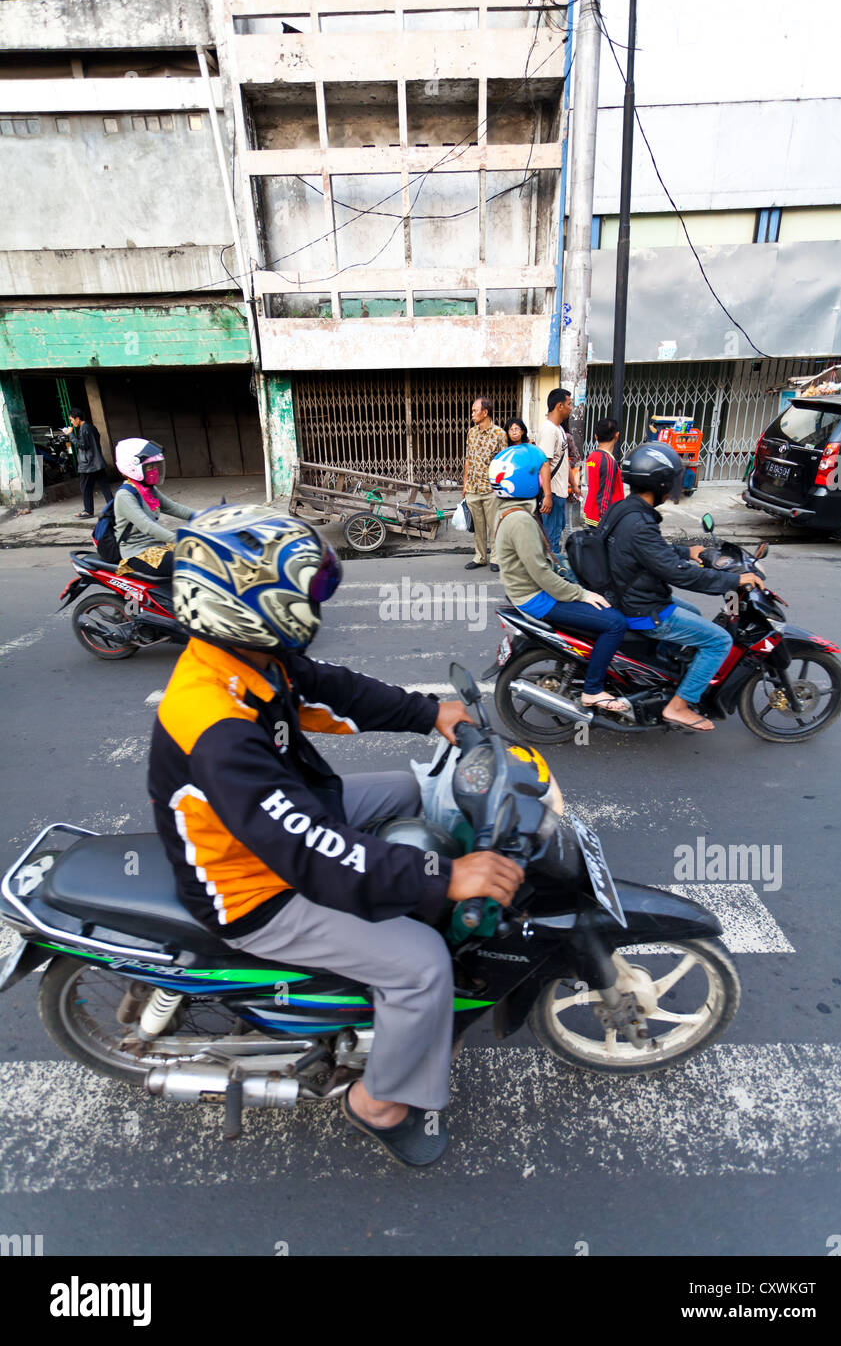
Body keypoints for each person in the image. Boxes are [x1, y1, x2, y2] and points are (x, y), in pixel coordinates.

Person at [148, 506, 523, 1167]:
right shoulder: (214, 722)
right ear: (247, 602)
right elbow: (308, 850)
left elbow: (336, 691)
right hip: (253, 886)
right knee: (421, 965)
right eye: (306, 591)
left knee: (415, 792)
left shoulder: (256, 659)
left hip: (291, 814)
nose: (316, 603)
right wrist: (445, 878)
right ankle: (376, 1104)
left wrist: (429, 711)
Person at [605, 442, 765, 732]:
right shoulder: (640, 522)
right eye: (672, 481)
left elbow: (651, 553)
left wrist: (687, 551)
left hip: (625, 593)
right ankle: (678, 706)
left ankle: (664, 674)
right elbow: (679, 575)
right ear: (659, 482)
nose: (674, 488)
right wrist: (732, 580)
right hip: (641, 607)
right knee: (719, 641)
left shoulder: (626, 509)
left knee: (690, 610)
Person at [491, 445, 630, 714]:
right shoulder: (520, 520)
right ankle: (592, 691)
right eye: (540, 473)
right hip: (536, 598)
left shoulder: (510, 510)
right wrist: (580, 594)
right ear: (525, 478)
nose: (544, 479)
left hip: (528, 592)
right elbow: (541, 574)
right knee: (614, 623)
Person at [112, 438, 195, 578]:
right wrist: (178, 538)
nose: (155, 471)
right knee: (192, 563)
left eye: (155, 466)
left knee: (204, 554)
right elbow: (147, 526)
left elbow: (174, 508)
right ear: (133, 468)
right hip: (138, 552)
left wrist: (207, 516)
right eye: (150, 467)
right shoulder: (124, 495)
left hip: (157, 545)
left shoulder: (147, 489)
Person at [461, 396, 508, 572]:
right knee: (478, 527)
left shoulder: (500, 434)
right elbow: (468, 459)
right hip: (473, 488)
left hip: (491, 489)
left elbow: (503, 463)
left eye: (475, 410)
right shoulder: (471, 433)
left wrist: (501, 488)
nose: (472, 413)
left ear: (485, 412)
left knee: (494, 525)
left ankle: (496, 558)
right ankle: (480, 557)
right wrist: (464, 485)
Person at [537, 388, 572, 555]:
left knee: (555, 534)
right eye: (569, 404)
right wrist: (548, 496)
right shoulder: (549, 430)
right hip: (553, 494)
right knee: (551, 540)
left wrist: (573, 485)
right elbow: (545, 464)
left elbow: (563, 460)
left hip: (560, 493)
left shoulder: (559, 429)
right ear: (559, 406)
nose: (571, 407)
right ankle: (551, 575)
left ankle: (552, 572)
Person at [62, 408, 112, 519]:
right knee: (105, 487)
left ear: (77, 418)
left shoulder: (84, 429)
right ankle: (113, 508)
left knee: (85, 488)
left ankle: (88, 511)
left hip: (88, 464)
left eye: (71, 420)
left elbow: (83, 445)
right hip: (97, 462)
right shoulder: (92, 427)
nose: (71, 422)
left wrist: (70, 435)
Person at [583, 416, 625, 528]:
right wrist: (605, 522)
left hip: (591, 513)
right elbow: (605, 495)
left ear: (596, 436)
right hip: (603, 519)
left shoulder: (591, 457)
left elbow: (590, 483)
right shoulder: (609, 462)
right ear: (617, 435)